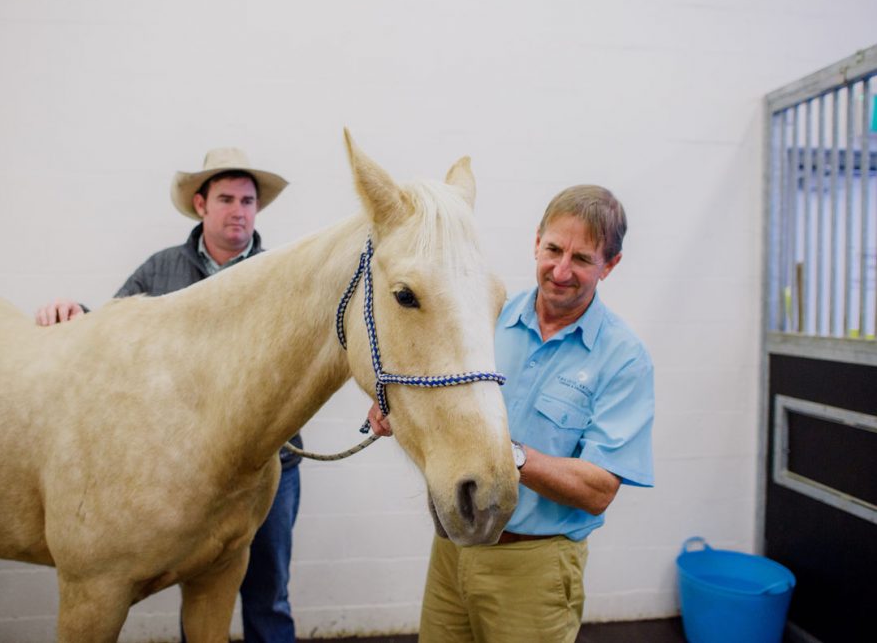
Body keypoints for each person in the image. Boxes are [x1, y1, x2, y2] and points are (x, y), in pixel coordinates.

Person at [35, 147, 301, 643]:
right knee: (203, 587)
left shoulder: (280, 278)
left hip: (272, 465)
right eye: (226, 199)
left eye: (247, 201)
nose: (239, 211)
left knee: (269, 594)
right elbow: (115, 333)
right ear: (201, 204)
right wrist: (77, 312)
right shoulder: (159, 271)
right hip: (191, 475)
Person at [368, 185, 654, 643]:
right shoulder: (488, 315)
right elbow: (437, 387)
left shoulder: (623, 359)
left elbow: (599, 489)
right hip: (452, 549)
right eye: (554, 249)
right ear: (536, 241)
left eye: (582, 259)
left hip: (533, 568)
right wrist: (397, 407)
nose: (561, 270)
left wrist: (508, 455)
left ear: (610, 264)